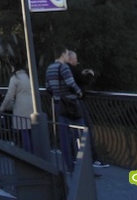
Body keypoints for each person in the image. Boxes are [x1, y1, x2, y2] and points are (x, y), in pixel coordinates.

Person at [45, 45, 85, 173]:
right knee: (81, 134)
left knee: (64, 136)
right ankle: (83, 166)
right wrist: (80, 93)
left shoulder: (49, 69)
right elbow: (71, 83)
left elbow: (48, 87)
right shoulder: (64, 67)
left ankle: (69, 166)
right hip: (71, 104)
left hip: (58, 104)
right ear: (63, 55)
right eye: (67, 54)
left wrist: (57, 96)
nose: (68, 56)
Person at [67, 50, 108, 169]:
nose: (77, 62)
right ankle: (92, 159)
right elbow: (83, 81)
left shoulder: (64, 70)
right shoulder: (70, 69)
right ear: (70, 59)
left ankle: (74, 156)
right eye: (75, 59)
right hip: (76, 103)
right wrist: (89, 74)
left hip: (68, 104)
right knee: (86, 129)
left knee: (73, 131)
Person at [0, 64, 34, 153]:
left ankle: (27, 154)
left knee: (23, 131)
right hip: (31, 106)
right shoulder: (28, 76)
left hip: (21, 107)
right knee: (30, 131)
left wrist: (2, 107)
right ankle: (34, 154)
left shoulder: (15, 78)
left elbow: (10, 96)